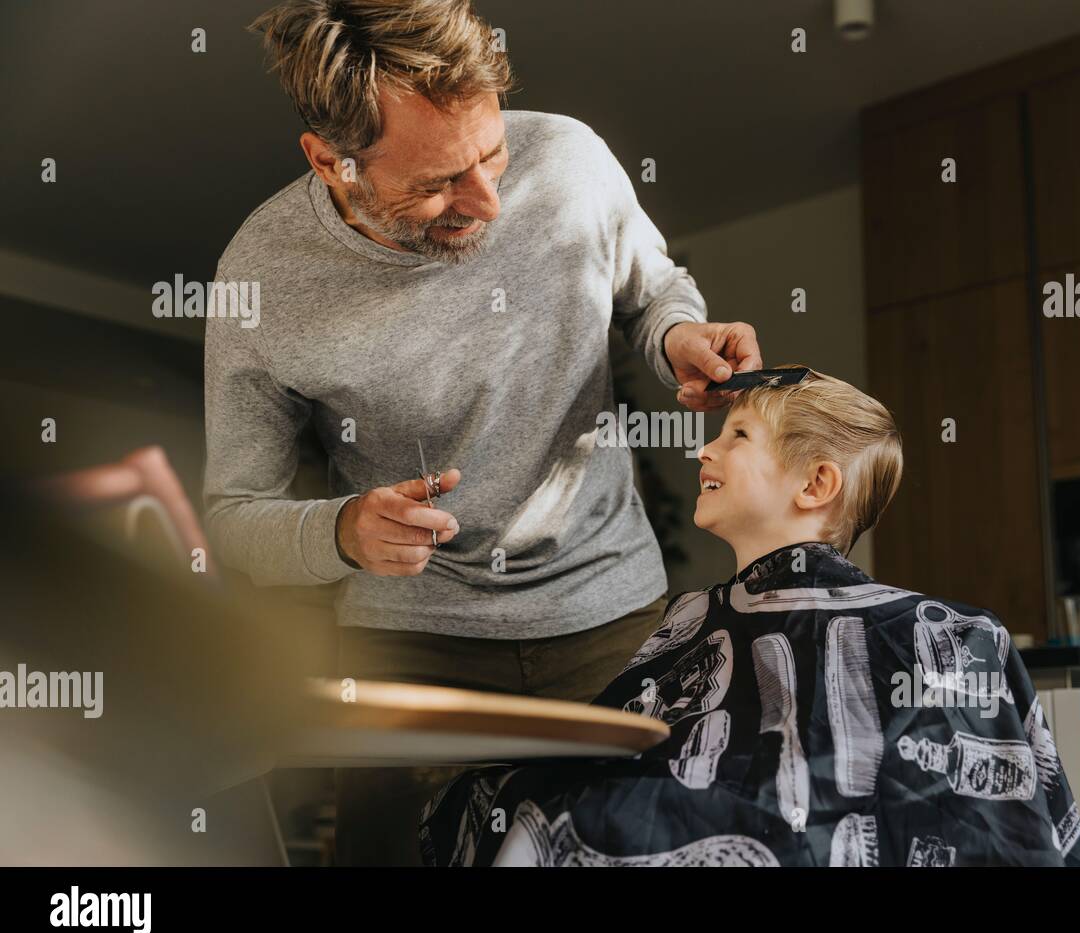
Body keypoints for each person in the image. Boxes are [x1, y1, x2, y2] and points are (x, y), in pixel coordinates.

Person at [204, 0, 763, 864]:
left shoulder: (573, 159)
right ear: (330, 161)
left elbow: (652, 286)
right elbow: (236, 515)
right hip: (408, 645)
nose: (490, 202)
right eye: (436, 184)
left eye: (494, 156)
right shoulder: (259, 278)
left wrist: (676, 337)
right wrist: (345, 531)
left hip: (610, 619)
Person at [419, 366, 1080, 866]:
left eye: (736, 435)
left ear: (815, 484)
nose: (702, 451)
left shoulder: (945, 635)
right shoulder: (693, 618)